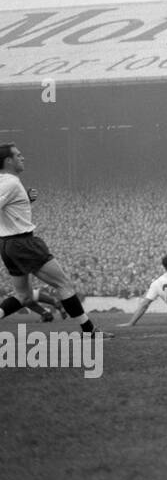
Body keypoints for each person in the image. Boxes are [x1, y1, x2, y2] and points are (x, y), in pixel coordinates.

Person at [0, 143, 102, 336]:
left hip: (7, 244)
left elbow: (8, 209)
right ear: (8, 160)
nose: (23, 158)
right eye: (18, 155)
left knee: (23, 296)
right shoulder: (10, 183)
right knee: (64, 284)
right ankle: (89, 331)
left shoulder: (6, 181)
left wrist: (25, 200)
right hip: (23, 242)